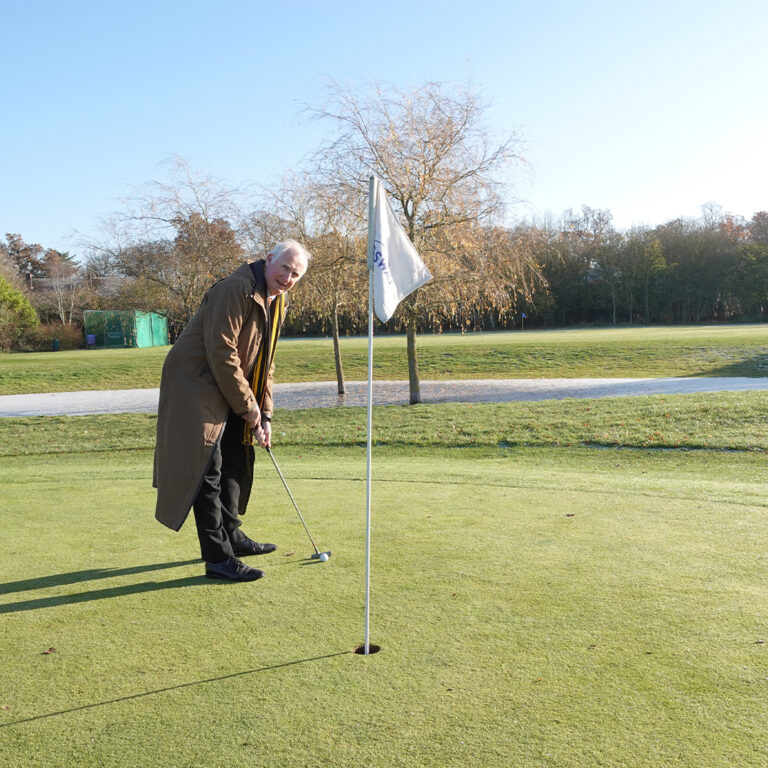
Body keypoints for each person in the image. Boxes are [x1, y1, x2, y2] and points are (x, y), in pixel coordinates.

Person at [153, 239, 311, 581]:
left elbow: (265, 362)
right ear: (269, 260)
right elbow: (222, 355)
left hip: (227, 385)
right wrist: (248, 408)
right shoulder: (234, 290)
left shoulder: (277, 300)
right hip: (195, 384)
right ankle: (218, 558)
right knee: (206, 471)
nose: (287, 278)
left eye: (295, 274)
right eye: (284, 267)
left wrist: (264, 413)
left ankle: (233, 537)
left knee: (234, 461)